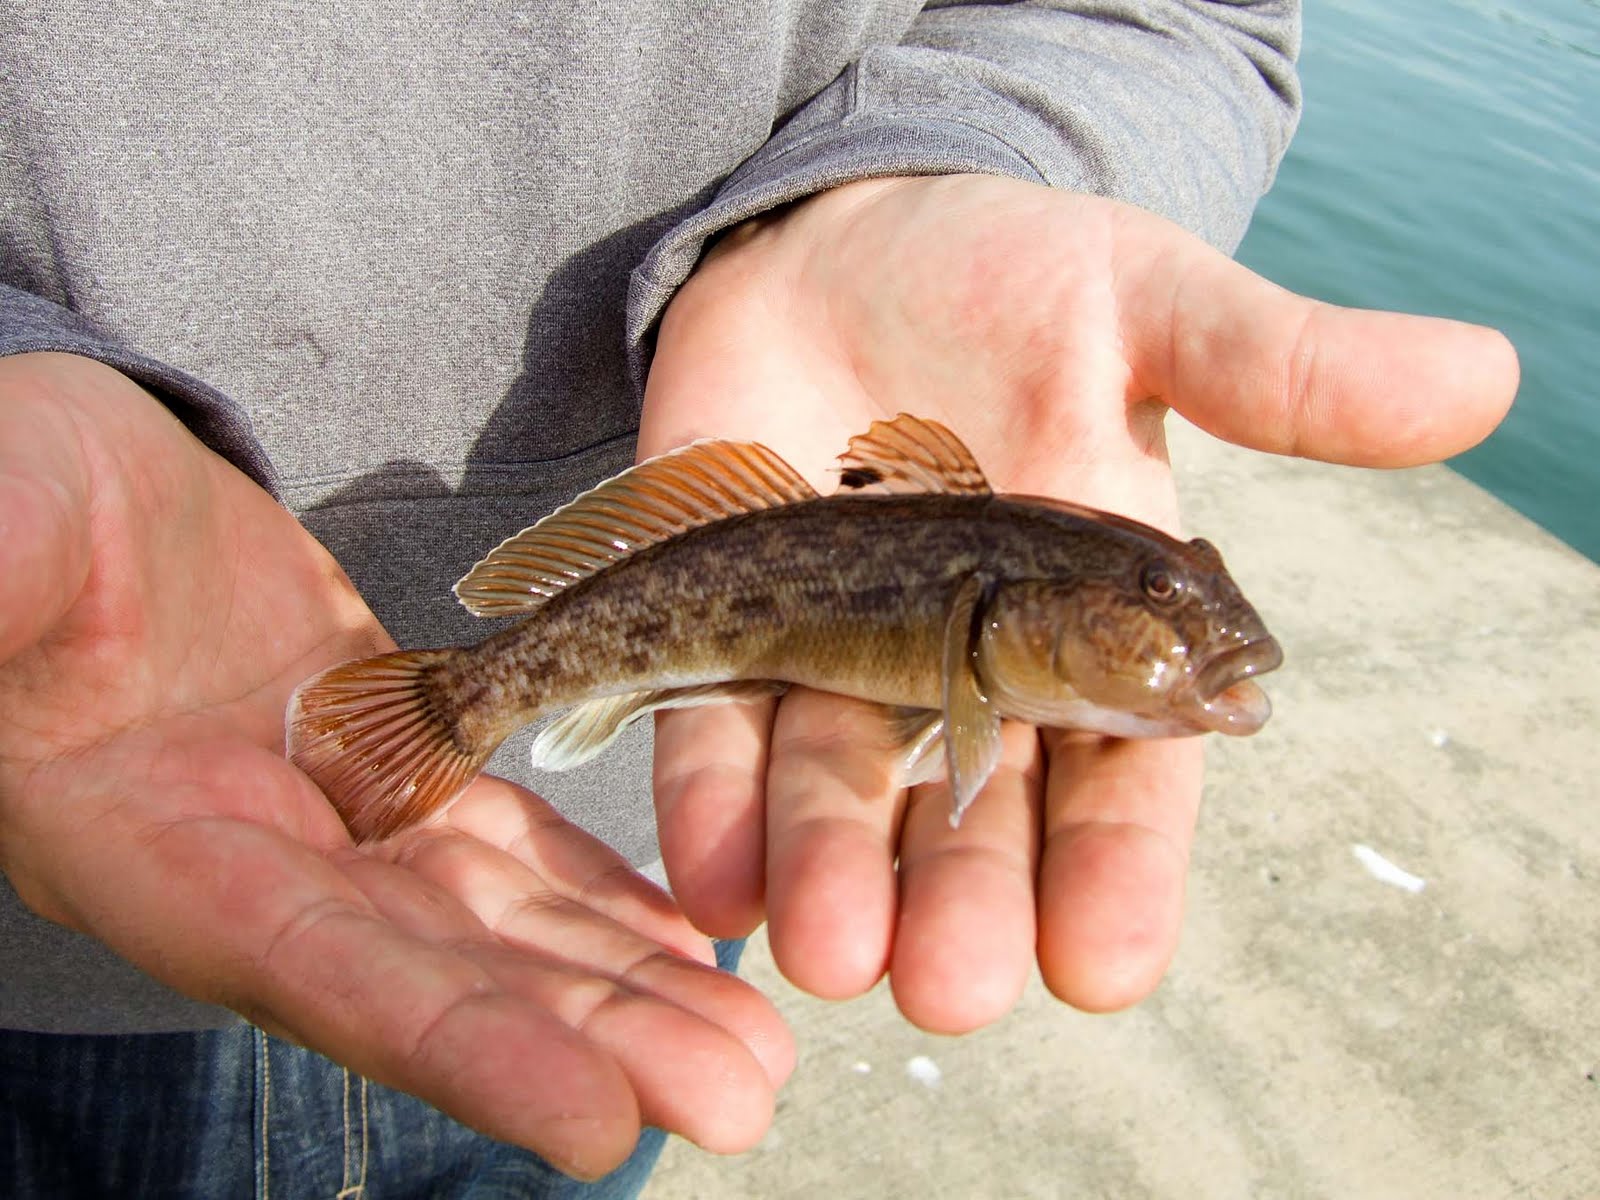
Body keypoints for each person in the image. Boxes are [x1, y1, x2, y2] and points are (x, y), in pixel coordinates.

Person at [0, 1, 1516, 1195]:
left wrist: (960, 160)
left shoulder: (975, 626)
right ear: (1037, 627)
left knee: (581, 1124)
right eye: (1166, 630)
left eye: (1184, 631)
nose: (1196, 664)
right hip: (48, 955)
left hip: (630, 891)